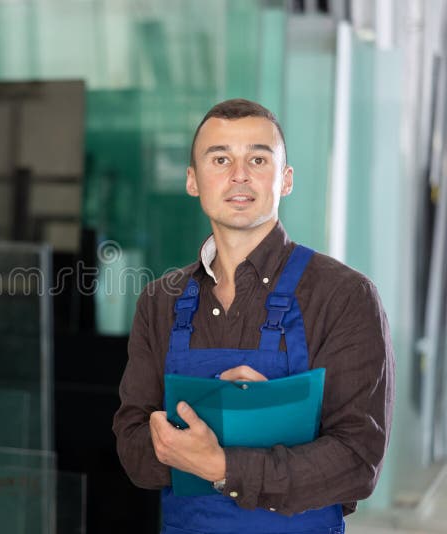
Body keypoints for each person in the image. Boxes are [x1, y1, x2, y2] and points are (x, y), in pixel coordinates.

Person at [112, 98, 394, 534]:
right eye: (220, 159)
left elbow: (358, 461)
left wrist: (221, 463)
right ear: (193, 180)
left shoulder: (344, 296)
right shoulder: (160, 301)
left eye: (258, 159)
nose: (239, 174)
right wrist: (212, 422)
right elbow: (133, 451)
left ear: (286, 179)